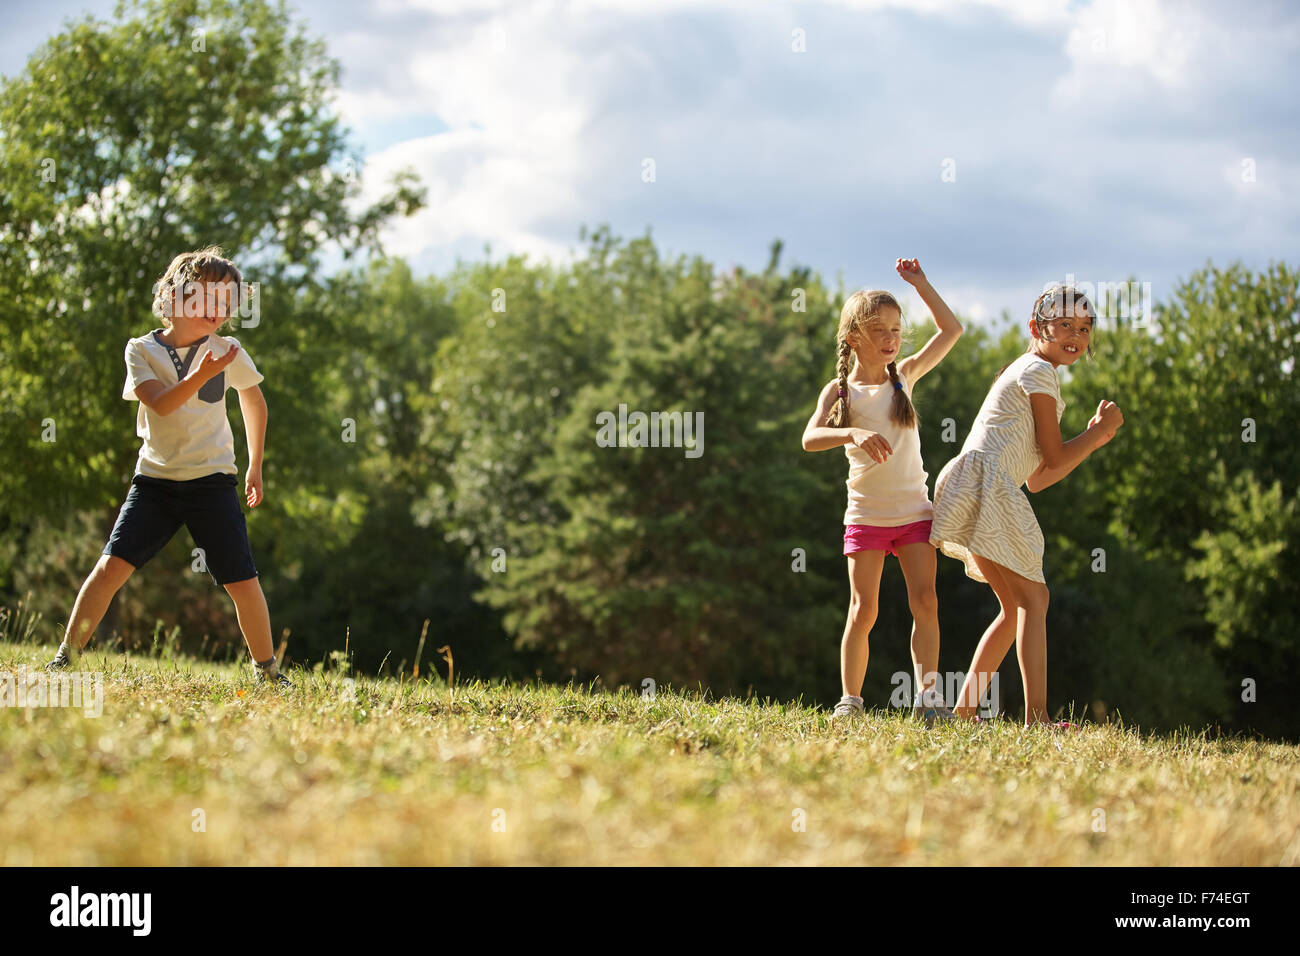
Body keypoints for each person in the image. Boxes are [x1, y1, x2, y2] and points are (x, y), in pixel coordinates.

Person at [46, 246, 289, 687]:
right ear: (176, 298)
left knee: (242, 579)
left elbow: (254, 402)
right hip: (154, 482)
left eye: (228, 303)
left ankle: (268, 672)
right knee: (111, 568)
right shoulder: (140, 351)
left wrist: (255, 466)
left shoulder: (228, 350)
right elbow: (160, 404)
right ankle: (68, 657)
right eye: (211, 299)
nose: (222, 311)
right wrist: (202, 373)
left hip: (212, 483)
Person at [931, 285, 1122, 726]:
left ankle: (964, 712)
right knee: (1035, 599)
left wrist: (1095, 439)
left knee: (1017, 605)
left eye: (1085, 328)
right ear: (1036, 327)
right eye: (1064, 325)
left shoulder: (1034, 372)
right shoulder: (1038, 372)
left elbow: (1039, 479)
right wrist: (1097, 434)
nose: (1075, 335)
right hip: (986, 482)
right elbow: (1054, 459)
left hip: (978, 484)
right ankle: (1036, 718)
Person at [802, 258, 963, 723]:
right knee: (863, 608)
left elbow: (951, 331)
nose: (893, 340)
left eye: (896, 330)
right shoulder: (839, 394)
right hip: (867, 517)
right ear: (853, 338)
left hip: (914, 511)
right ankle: (850, 702)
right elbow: (810, 439)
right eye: (881, 331)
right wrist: (850, 434)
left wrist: (921, 284)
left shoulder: (905, 377)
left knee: (926, 601)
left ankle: (929, 701)